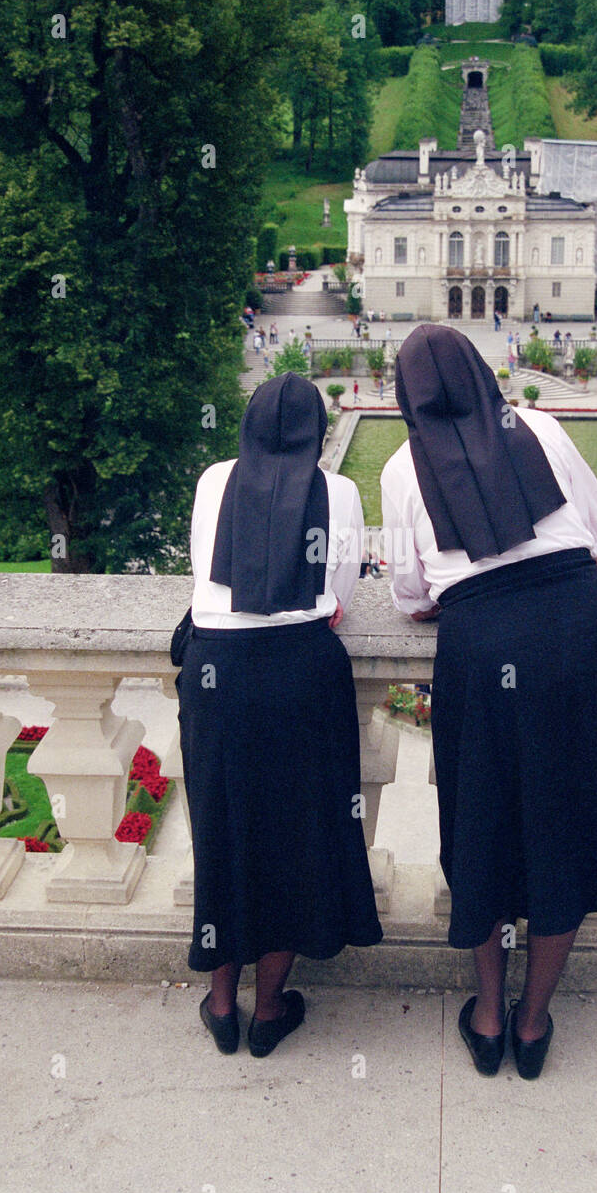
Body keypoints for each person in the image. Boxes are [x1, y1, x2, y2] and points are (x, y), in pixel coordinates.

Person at [380, 325, 597, 1080]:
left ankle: (486, 1018)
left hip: (483, 646)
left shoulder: (398, 466)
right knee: (570, 823)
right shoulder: (540, 425)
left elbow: (410, 595)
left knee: (482, 824)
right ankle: (534, 1021)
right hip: (582, 627)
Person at [177, 373, 382, 1058]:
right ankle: (268, 1012)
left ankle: (218, 1004)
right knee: (295, 837)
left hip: (217, 672)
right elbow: (343, 590)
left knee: (222, 830)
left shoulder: (213, 480)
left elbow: (202, 571)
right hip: (299, 670)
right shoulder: (339, 491)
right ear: (317, 434)